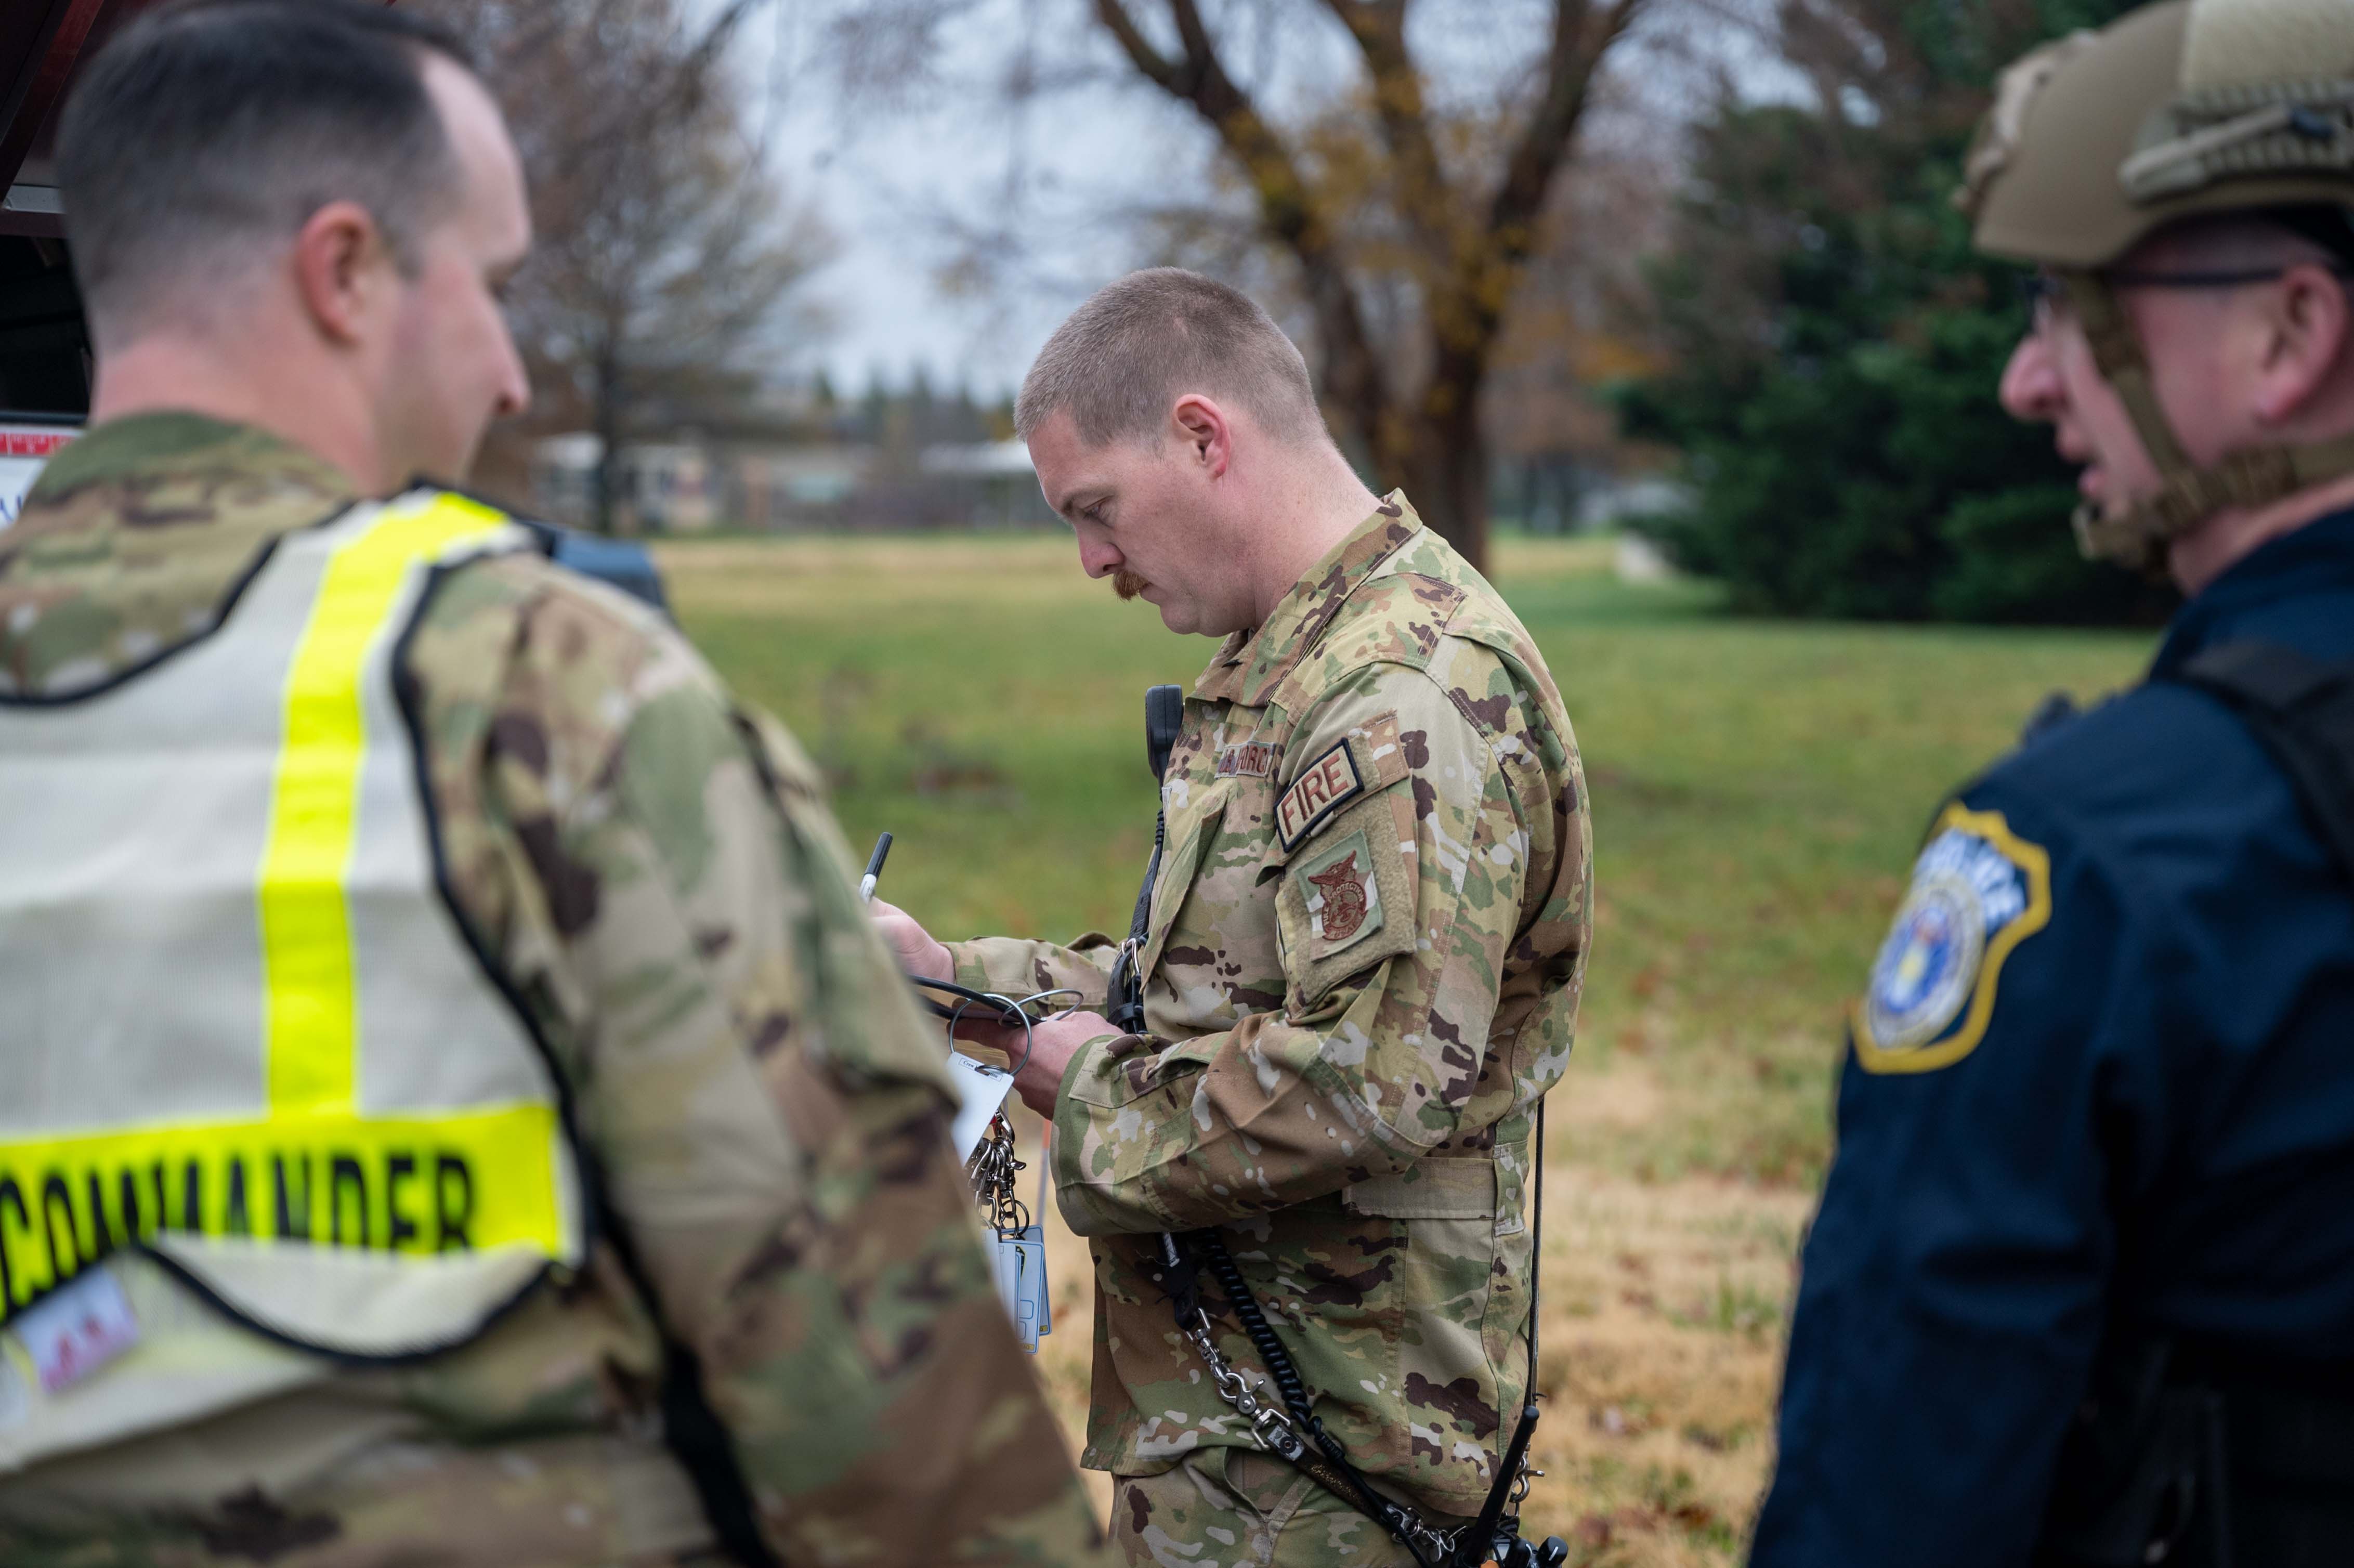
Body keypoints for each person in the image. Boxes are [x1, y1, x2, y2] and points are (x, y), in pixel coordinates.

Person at [0, 4, 1108, 1564]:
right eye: (490, 284)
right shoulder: (540, 684)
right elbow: (900, 1425)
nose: (513, 377)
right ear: (342, 271)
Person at [1752, 1, 2354, 1563]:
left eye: (2071, 306)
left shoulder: (2085, 855)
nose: (2031, 381)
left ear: (2290, 334)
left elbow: (1890, 1491)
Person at [871, 269, 1592, 1567]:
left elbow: (1370, 1078)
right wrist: (949, 982)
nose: (1091, 560)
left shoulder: (1397, 692)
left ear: (1203, 437)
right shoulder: (1290, 662)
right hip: (1242, 1444)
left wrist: (1088, 1094)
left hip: (1324, 1470)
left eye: (1094, 508)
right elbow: (1198, 991)